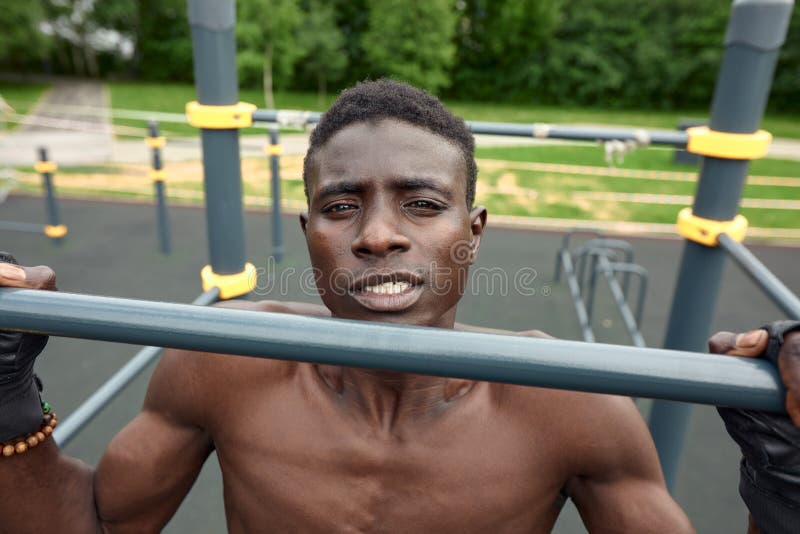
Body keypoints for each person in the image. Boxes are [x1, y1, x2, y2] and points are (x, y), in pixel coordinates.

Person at [0, 79, 796, 533]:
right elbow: (97, 529)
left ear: (473, 231)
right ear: (308, 232)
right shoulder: (226, 360)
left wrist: (785, 481)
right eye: (343, 208)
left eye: (421, 204)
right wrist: (6, 401)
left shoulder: (567, 403)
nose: (378, 236)